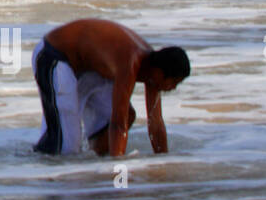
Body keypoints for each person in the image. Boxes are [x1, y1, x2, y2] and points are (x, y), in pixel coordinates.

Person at [32, 18, 190, 157]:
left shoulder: (153, 70)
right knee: (66, 147)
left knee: (128, 115)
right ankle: (37, 168)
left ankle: (94, 160)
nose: (173, 88)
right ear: (159, 73)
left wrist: (163, 164)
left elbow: (155, 124)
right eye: (174, 82)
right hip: (54, 56)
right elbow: (118, 124)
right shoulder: (131, 61)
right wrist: (119, 171)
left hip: (90, 71)